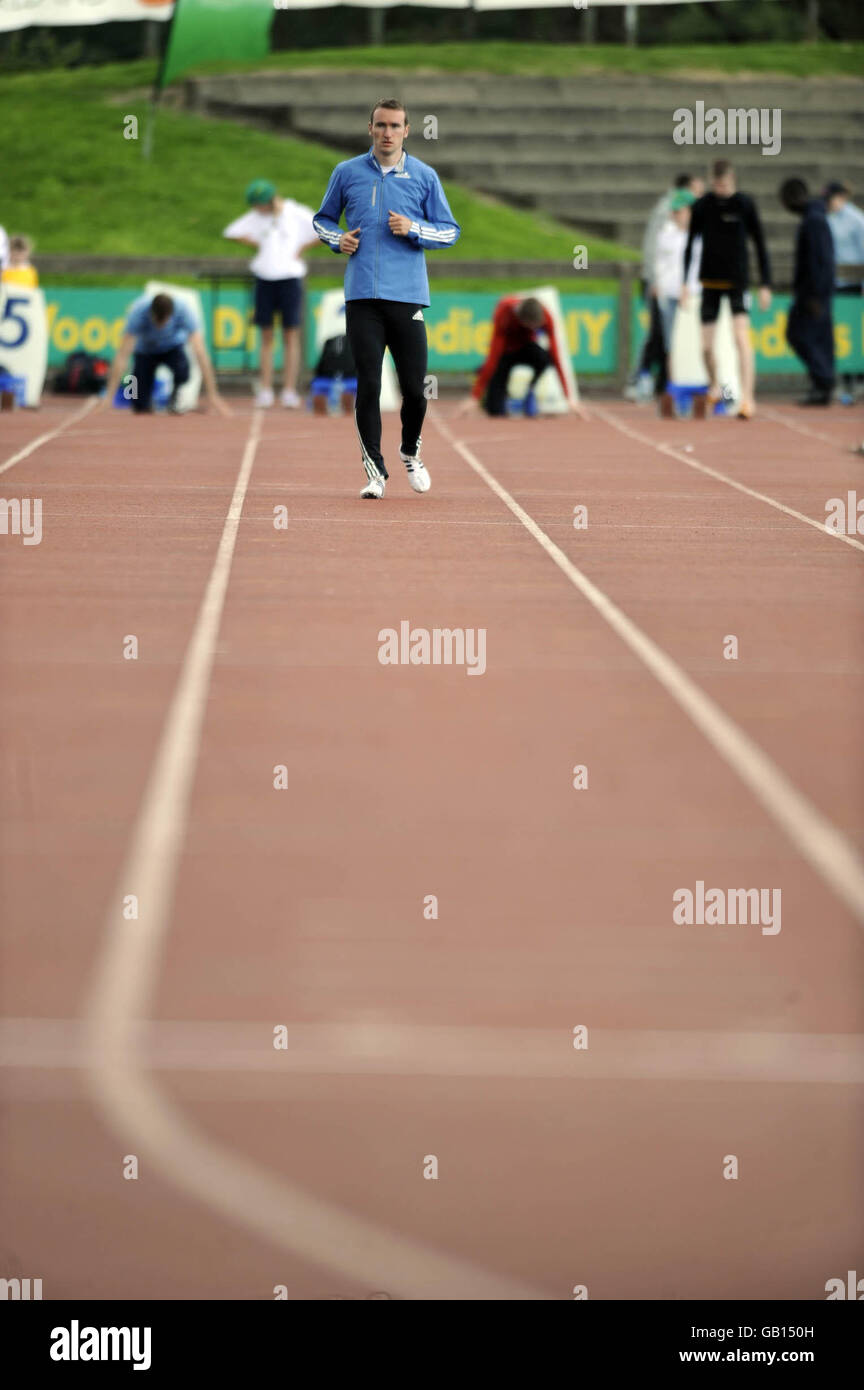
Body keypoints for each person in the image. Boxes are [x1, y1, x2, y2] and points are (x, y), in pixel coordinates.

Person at [313, 97, 460, 499]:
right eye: (380, 125)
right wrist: (335, 238)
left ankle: (410, 450)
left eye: (395, 126)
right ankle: (375, 470)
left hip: (408, 295)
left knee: (415, 388)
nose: (387, 133)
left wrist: (414, 228)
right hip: (362, 295)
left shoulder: (425, 176)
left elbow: (449, 231)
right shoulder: (346, 173)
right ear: (370, 128)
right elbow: (322, 219)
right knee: (369, 384)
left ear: (407, 130)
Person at [682, 159, 772, 420]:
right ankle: (714, 385)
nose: (720, 189)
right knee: (706, 347)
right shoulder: (702, 207)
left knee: (740, 338)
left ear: (732, 181)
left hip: (737, 281)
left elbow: (760, 244)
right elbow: (689, 245)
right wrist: (685, 284)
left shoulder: (744, 205)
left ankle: (747, 399)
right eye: (716, 185)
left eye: (724, 185)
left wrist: (765, 283)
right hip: (709, 282)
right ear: (711, 182)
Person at [223, 179, 319, 409]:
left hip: (290, 278)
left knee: (290, 334)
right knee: (266, 335)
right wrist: (256, 242)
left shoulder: (296, 212)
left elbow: (322, 230)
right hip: (264, 278)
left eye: (260, 205)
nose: (257, 210)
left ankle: (288, 390)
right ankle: (265, 389)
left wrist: (302, 247)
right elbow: (231, 231)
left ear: (271, 200)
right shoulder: (257, 218)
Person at [628, 172, 704, 401]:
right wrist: (653, 280)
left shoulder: (694, 226)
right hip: (662, 288)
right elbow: (655, 250)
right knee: (659, 335)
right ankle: (643, 380)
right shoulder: (667, 213)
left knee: (672, 339)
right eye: (697, 190)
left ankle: (666, 384)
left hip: (685, 292)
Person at [98, 291, 231, 416]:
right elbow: (122, 355)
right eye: (157, 322)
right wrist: (109, 397)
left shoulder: (184, 311)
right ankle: (143, 401)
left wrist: (213, 395)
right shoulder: (138, 312)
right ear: (151, 314)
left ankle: (175, 397)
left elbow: (200, 352)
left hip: (172, 348)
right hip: (145, 351)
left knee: (183, 370)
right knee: (139, 405)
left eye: (164, 322)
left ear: (171, 315)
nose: (160, 327)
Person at [455, 295, 581, 418]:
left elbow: (556, 356)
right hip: (505, 352)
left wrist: (569, 398)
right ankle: (496, 393)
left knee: (545, 358)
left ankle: (529, 389)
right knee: (494, 411)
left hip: (527, 348)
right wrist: (475, 396)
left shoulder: (546, 316)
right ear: (522, 321)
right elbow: (493, 356)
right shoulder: (504, 313)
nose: (537, 329)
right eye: (533, 327)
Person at [779, 177, 836, 407]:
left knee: (799, 334)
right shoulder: (815, 217)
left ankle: (823, 381)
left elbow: (820, 261)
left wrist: (814, 294)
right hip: (814, 291)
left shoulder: (813, 220)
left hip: (813, 293)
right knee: (817, 338)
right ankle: (821, 383)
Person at [652, 190, 700, 412]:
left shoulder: (701, 236)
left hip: (694, 298)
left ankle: (700, 390)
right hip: (671, 297)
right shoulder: (666, 234)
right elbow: (660, 264)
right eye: (674, 211)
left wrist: (689, 291)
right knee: (672, 346)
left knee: (696, 346)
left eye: (679, 211)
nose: (675, 215)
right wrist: (658, 285)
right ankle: (675, 389)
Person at [824, 180, 864, 403]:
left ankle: (857, 379)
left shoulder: (857, 220)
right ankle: (847, 380)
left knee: (855, 333)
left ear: (842, 197)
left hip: (853, 285)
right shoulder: (828, 219)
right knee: (841, 333)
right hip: (834, 284)